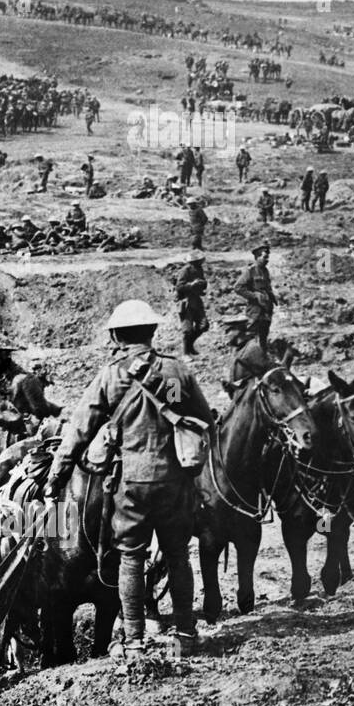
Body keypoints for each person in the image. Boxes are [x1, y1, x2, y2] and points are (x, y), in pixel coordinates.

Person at [45, 299, 212, 657]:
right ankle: (185, 636)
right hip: (173, 481)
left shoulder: (110, 375)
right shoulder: (175, 372)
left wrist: (57, 475)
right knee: (178, 556)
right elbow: (205, 419)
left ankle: (134, 643)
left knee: (131, 558)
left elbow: (79, 430)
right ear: (152, 333)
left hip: (130, 484)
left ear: (117, 336)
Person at [234, 242, 277, 346]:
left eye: (267, 258)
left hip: (266, 308)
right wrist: (254, 295)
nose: (267, 260)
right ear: (257, 257)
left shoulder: (265, 271)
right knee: (251, 335)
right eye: (264, 257)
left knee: (263, 334)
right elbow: (238, 287)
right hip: (255, 309)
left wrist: (272, 297)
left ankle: (262, 357)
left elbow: (267, 286)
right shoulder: (250, 271)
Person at [176, 251, 208, 356]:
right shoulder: (185, 270)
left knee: (203, 325)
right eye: (199, 261)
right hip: (186, 302)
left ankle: (190, 345)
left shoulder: (199, 269)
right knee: (187, 330)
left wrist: (202, 283)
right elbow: (179, 287)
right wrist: (191, 284)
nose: (201, 262)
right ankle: (185, 353)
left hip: (197, 300)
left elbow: (204, 283)